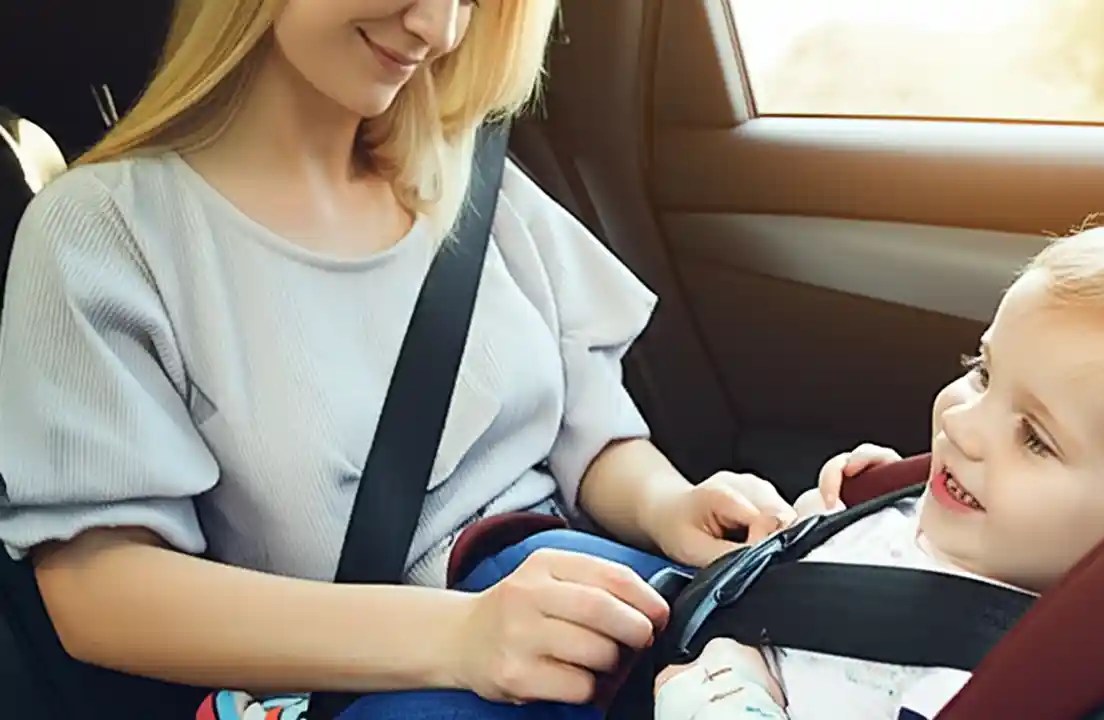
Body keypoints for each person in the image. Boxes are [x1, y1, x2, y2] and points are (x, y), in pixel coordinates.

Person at [0, 1, 798, 718]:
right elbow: (98, 591)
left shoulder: (471, 184)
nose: (442, 28)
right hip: (393, 680)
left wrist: (667, 505)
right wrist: (463, 637)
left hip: (601, 621)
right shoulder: (105, 231)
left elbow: (590, 434)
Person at [649, 216, 1104, 720]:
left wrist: (718, 697)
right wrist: (850, 514)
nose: (961, 423)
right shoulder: (990, 534)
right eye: (982, 373)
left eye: (1035, 439)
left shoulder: (986, 683)